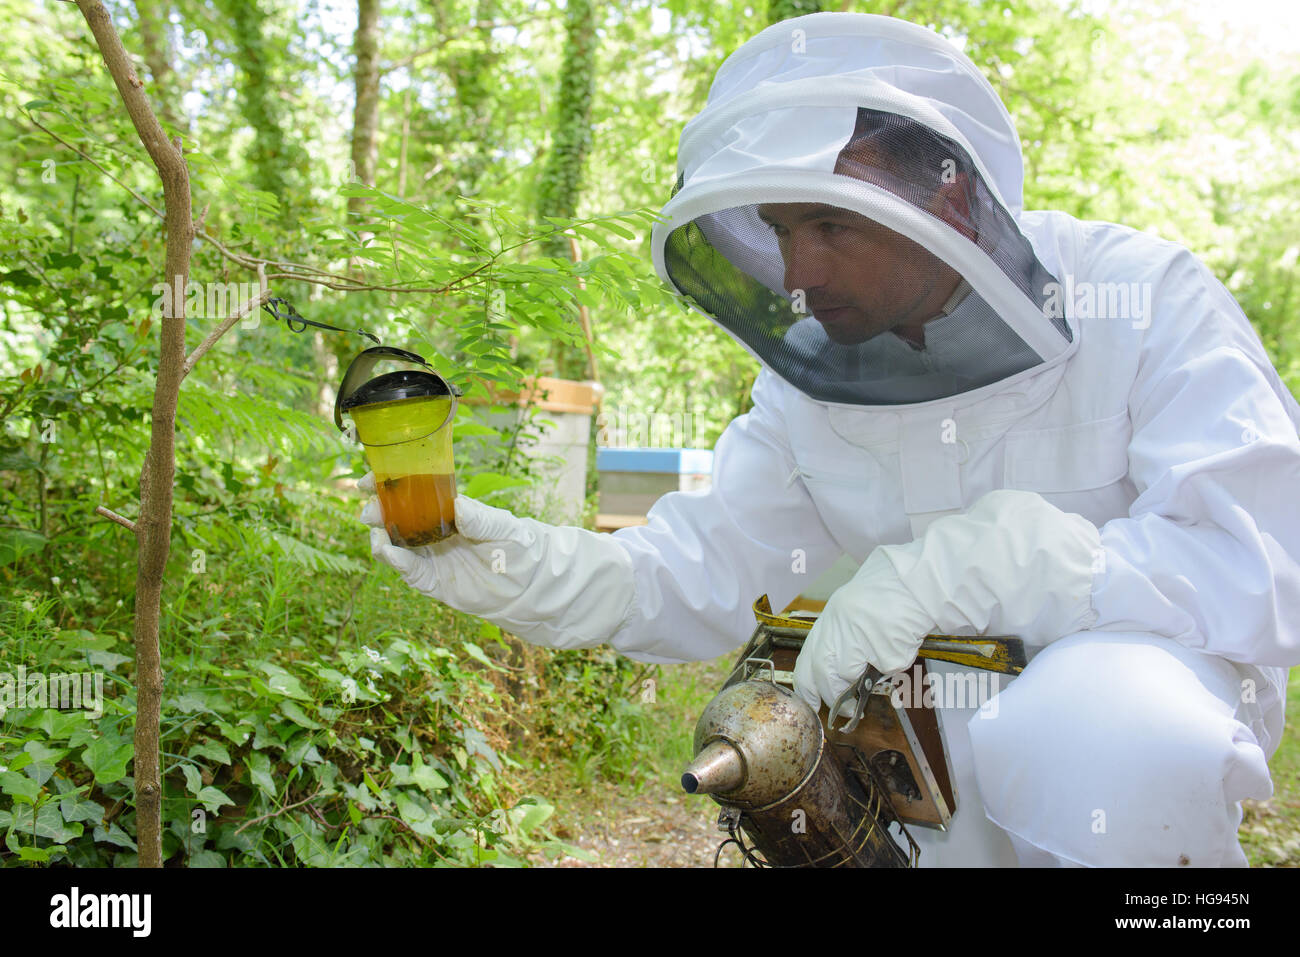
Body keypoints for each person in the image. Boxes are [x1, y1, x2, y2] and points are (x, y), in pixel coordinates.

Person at [360, 12, 1300, 867]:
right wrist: (519, 568)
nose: (797, 271)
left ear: (948, 201)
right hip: (916, 762)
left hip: (1123, 750)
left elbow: (1261, 564)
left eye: (830, 224)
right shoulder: (814, 373)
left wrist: (1000, 558)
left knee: (1097, 725)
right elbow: (699, 571)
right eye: (778, 229)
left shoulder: (1142, 299)